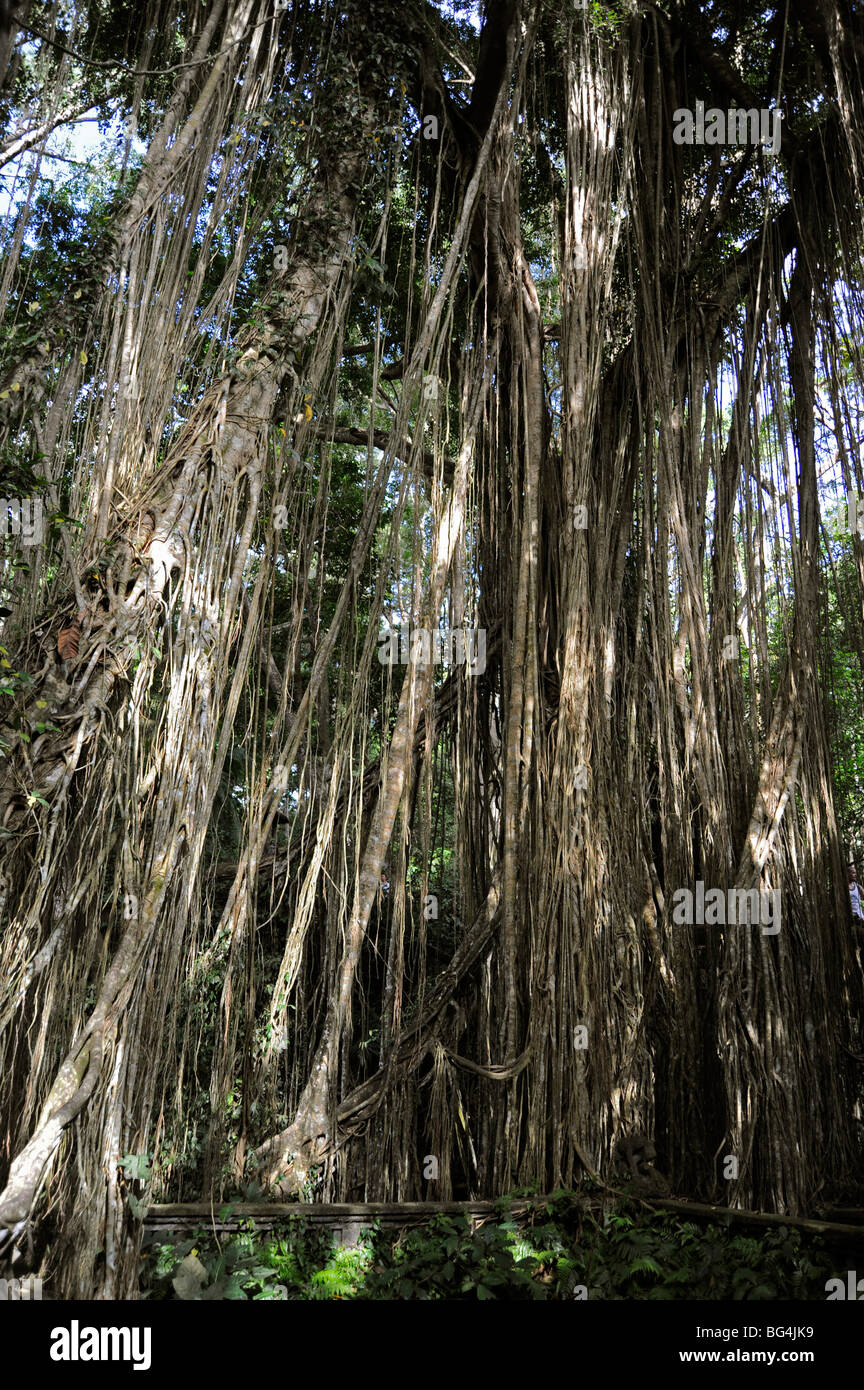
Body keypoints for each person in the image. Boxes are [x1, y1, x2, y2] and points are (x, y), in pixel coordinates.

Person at [848, 864, 864, 932]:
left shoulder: (858, 886)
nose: (855, 875)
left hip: (860, 917)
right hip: (850, 918)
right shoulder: (843, 888)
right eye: (853, 873)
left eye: (855, 873)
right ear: (848, 874)